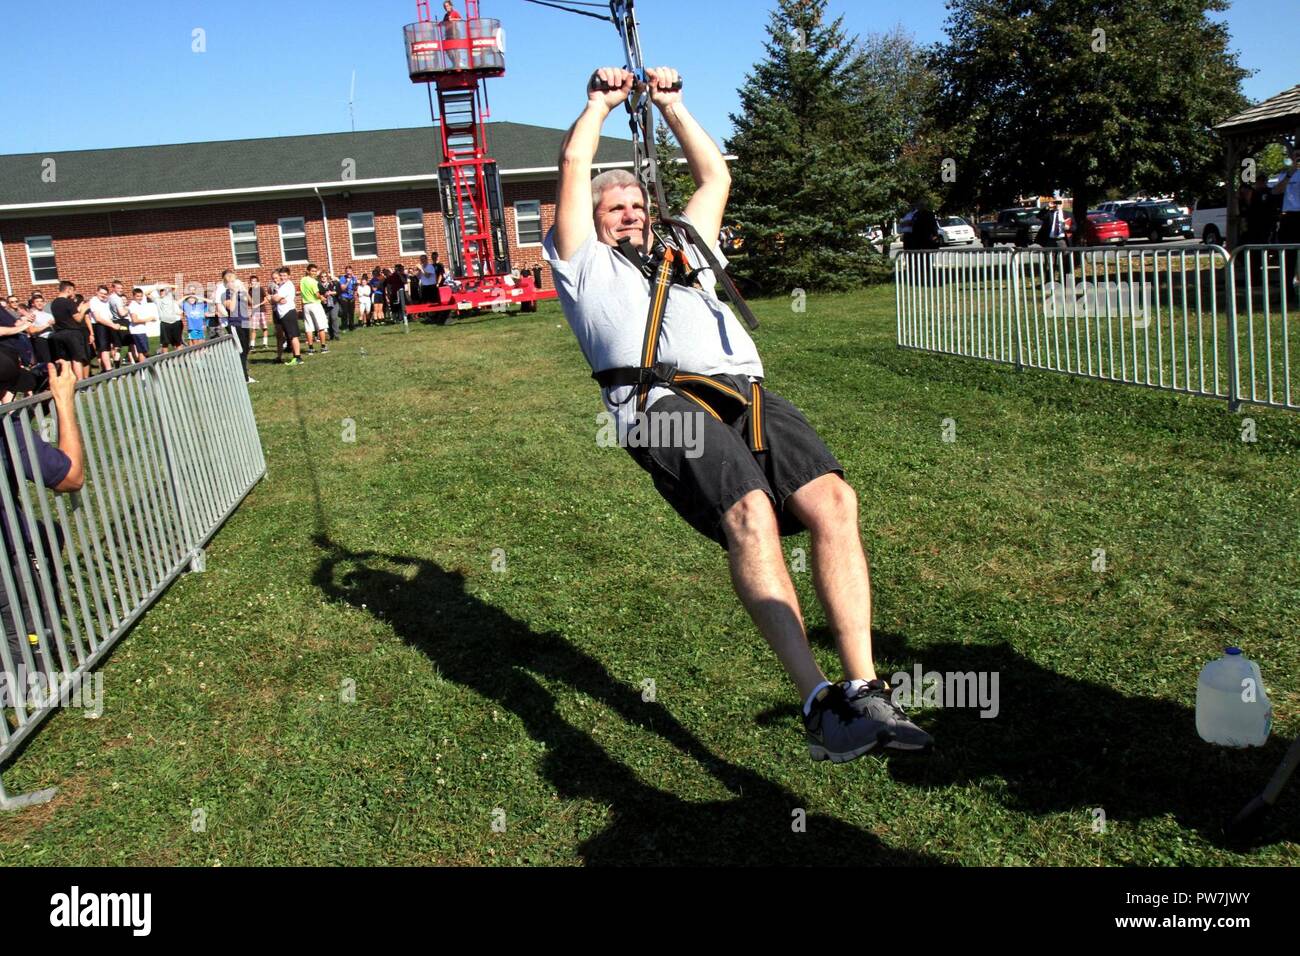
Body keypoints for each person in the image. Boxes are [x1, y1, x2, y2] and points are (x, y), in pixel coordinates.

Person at [544, 65, 933, 764]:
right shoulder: (582, 264)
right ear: (593, 224)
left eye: (636, 202)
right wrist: (600, 104)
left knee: (834, 501)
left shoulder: (687, 246)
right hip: (655, 401)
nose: (629, 211)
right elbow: (575, 162)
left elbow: (715, 177)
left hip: (744, 391)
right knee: (751, 512)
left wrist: (673, 106)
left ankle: (866, 686)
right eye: (614, 208)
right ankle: (818, 706)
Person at [0, 355, 84, 709]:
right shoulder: (7, 426)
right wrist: (64, 402)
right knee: (23, 623)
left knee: (44, 536)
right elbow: (69, 477)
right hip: (7, 549)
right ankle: (28, 685)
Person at [1271, 145, 1300, 305]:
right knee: (1287, 258)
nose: (1297, 158)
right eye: (1295, 155)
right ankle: (1287, 294)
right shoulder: (1285, 174)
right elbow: (1275, 191)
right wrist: (1290, 173)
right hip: (1288, 217)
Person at [47, 281, 90, 379]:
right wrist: (84, 309)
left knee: (66, 360)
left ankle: (69, 381)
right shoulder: (68, 302)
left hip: (59, 333)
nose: (74, 293)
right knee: (77, 359)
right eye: (73, 290)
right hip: (72, 333)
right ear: (68, 290)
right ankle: (80, 383)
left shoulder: (54, 303)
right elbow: (78, 319)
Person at [222, 274, 254, 384]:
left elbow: (251, 303)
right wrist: (234, 293)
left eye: (235, 280)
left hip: (245, 322)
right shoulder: (225, 294)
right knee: (240, 350)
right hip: (235, 324)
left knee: (246, 349)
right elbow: (231, 308)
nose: (234, 283)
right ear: (227, 284)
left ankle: (245, 375)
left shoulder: (241, 292)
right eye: (231, 281)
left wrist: (244, 290)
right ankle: (243, 378)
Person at [88, 285, 128, 372]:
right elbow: (98, 318)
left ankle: (106, 368)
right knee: (104, 349)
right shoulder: (94, 301)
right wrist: (112, 325)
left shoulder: (106, 301)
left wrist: (112, 324)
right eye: (101, 293)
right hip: (100, 326)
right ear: (97, 292)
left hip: (108, 324)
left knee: (111, 347)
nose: (103, 295)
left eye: (105, 294)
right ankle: (109, 370)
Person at [271, 268, 304, 365]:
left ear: (289, 276)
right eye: (281, 275)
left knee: (293, 335)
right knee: (290, 336)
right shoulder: (282, 285)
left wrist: (274, 298)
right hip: (284, 313)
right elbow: (276, 299)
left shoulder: (287, 285)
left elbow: (275, 298)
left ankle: (298, 358)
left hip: (288, 313)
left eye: (284, 275)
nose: (282, 277)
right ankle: (295, 357)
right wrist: (276, 299)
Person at [299, 263, 329, 354]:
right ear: (308, 271)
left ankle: (310, 348)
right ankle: (323, 347)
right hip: (315, 304)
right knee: (321, 326)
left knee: (309, 327)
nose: (314, 273)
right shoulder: (313, 282)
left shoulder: (302, 280)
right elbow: (317, 294)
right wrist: (322, 298)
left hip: (306, 304)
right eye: (312, 271)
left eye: (315, 271)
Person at [125, 287, 156, 362]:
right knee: (143, 351)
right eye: (137, 296)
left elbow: (146, 292)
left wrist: (156, 286)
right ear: (133, 296)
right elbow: (135, 320)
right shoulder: (133, 306)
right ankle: (142, 368)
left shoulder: (140, 304)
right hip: (137, 331)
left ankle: (143, 368)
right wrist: (149, 319)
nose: (140, 298)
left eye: (141, 296)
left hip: (141, 330)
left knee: (142, 351)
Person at [151, 283, 184, 354]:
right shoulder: (157, 300)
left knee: (178, 342)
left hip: (174, 323)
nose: (161, 292)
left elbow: (176, 286)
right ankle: (165, 359)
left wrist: (165, 286)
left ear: (166, 291)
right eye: (160, 291)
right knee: (165, 343)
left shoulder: (170, 296)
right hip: (164, 323)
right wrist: (156, 287)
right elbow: (146, 293)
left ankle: (181, 357)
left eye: (163, 290)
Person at [24, 294, 55, 366]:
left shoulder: (49, 315)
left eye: (41, 301)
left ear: (44, 303)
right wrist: (47, 325)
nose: (39, 303)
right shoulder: (32, 315)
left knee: (56, 361)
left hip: (52, 339)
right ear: (33, 304)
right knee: (47, 363)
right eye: (37, 301)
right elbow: (31, 330)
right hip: (41, 340)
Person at [248, 275, 270, 350]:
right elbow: (249, 302)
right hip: (254, 312)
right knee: (254, 328)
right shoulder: (250, 290)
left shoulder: (261, 289)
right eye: (252, 281)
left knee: (264, 327)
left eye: (254, 281)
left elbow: (266, 300)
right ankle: (252, 345)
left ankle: (265, 344)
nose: (253, 282)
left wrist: (258, 305)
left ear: (257, 282)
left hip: (262, 310)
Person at [338, 267, 357, 332]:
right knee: (345, 313)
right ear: (345, 272)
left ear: (352, 271)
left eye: (350, 271)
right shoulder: (342, 278)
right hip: (344, 297)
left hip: (351, 297)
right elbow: (342, 288)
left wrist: (355, 294)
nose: (348, 272)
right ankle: (344, 327)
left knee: (351, 313)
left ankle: (351, 326)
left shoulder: (354, 278)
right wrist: (347, 282)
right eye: (347, 271)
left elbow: (355, 287)